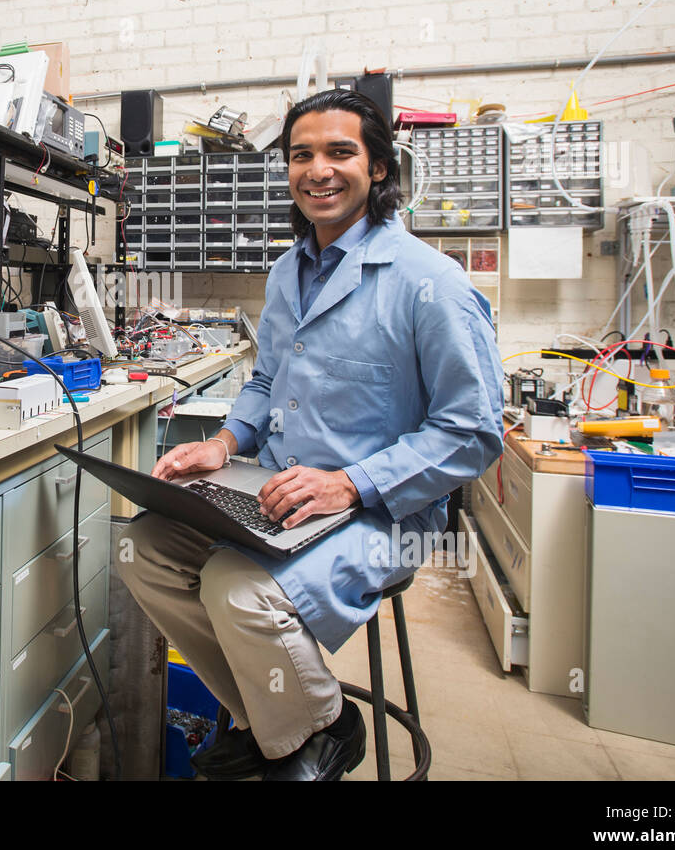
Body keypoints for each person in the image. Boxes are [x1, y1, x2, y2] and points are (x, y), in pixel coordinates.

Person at [115, 89, 504, 781]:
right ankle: (298, 725)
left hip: (387, 512)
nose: (317, 170)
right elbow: (265, 385)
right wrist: (225, 444)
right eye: (301, 155)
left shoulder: (431, 284)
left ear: (379, 168)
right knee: (141, 547)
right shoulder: (289, 270)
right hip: (278, 496)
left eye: (339, 152)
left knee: (237, 588)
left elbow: (472, 432)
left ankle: (307, 730)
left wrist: (349, 483)